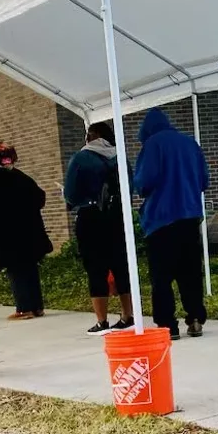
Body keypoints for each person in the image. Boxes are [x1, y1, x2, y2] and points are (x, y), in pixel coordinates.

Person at [133, 108, 209, 340]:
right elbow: (204, 180)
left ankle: (168, 325)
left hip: (161, 220)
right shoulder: (190, 143)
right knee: (191, 273)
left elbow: (144, 182)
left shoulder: (152, 145)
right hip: (189, 216)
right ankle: (195, 318)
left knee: (161, 277)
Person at [64, 122, 135, 334]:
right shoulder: (120, 156)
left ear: (92, 136)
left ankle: (102, 321)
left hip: (91, 216)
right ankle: (128, 315)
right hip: (117, 216)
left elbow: (70, 193)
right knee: (122, 266)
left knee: (96, 268)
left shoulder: (81, 158)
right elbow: (130, 187)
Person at [0, 142, 51, 320]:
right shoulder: (24, 179)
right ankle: (37, 307)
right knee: (30, 268)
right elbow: (39, 199)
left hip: (6, 236)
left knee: (15, 271)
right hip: (29, 233)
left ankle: (24, 308)